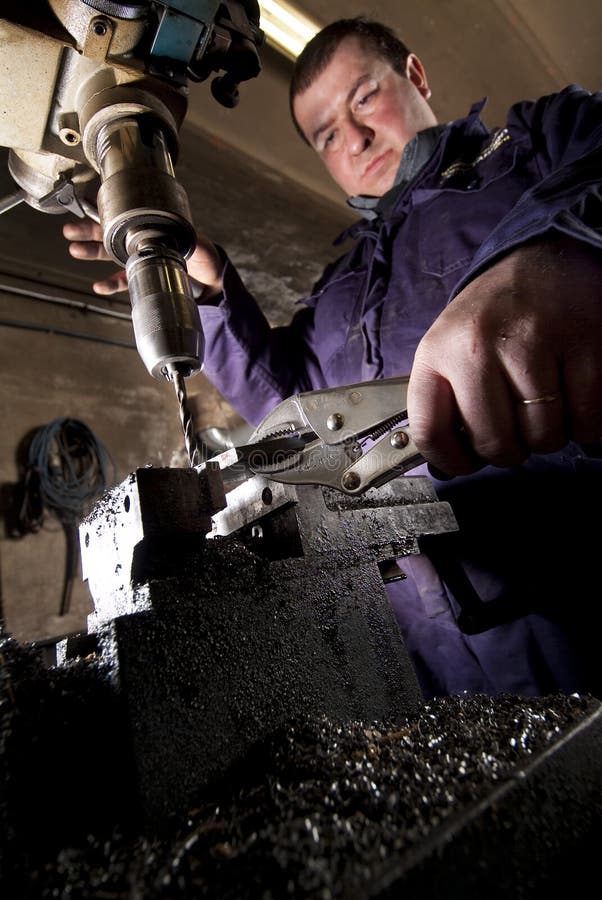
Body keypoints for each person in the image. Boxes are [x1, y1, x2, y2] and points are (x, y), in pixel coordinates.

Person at [64, 18, 602, 699]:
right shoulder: (342, 290)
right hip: (435, 650)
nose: (353, 139)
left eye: (364, 99)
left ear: (415, 77)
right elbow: (293, 409)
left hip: (573, 600)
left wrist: (547, 256)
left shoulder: (534, 150)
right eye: (325, 135)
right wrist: (209, 287)